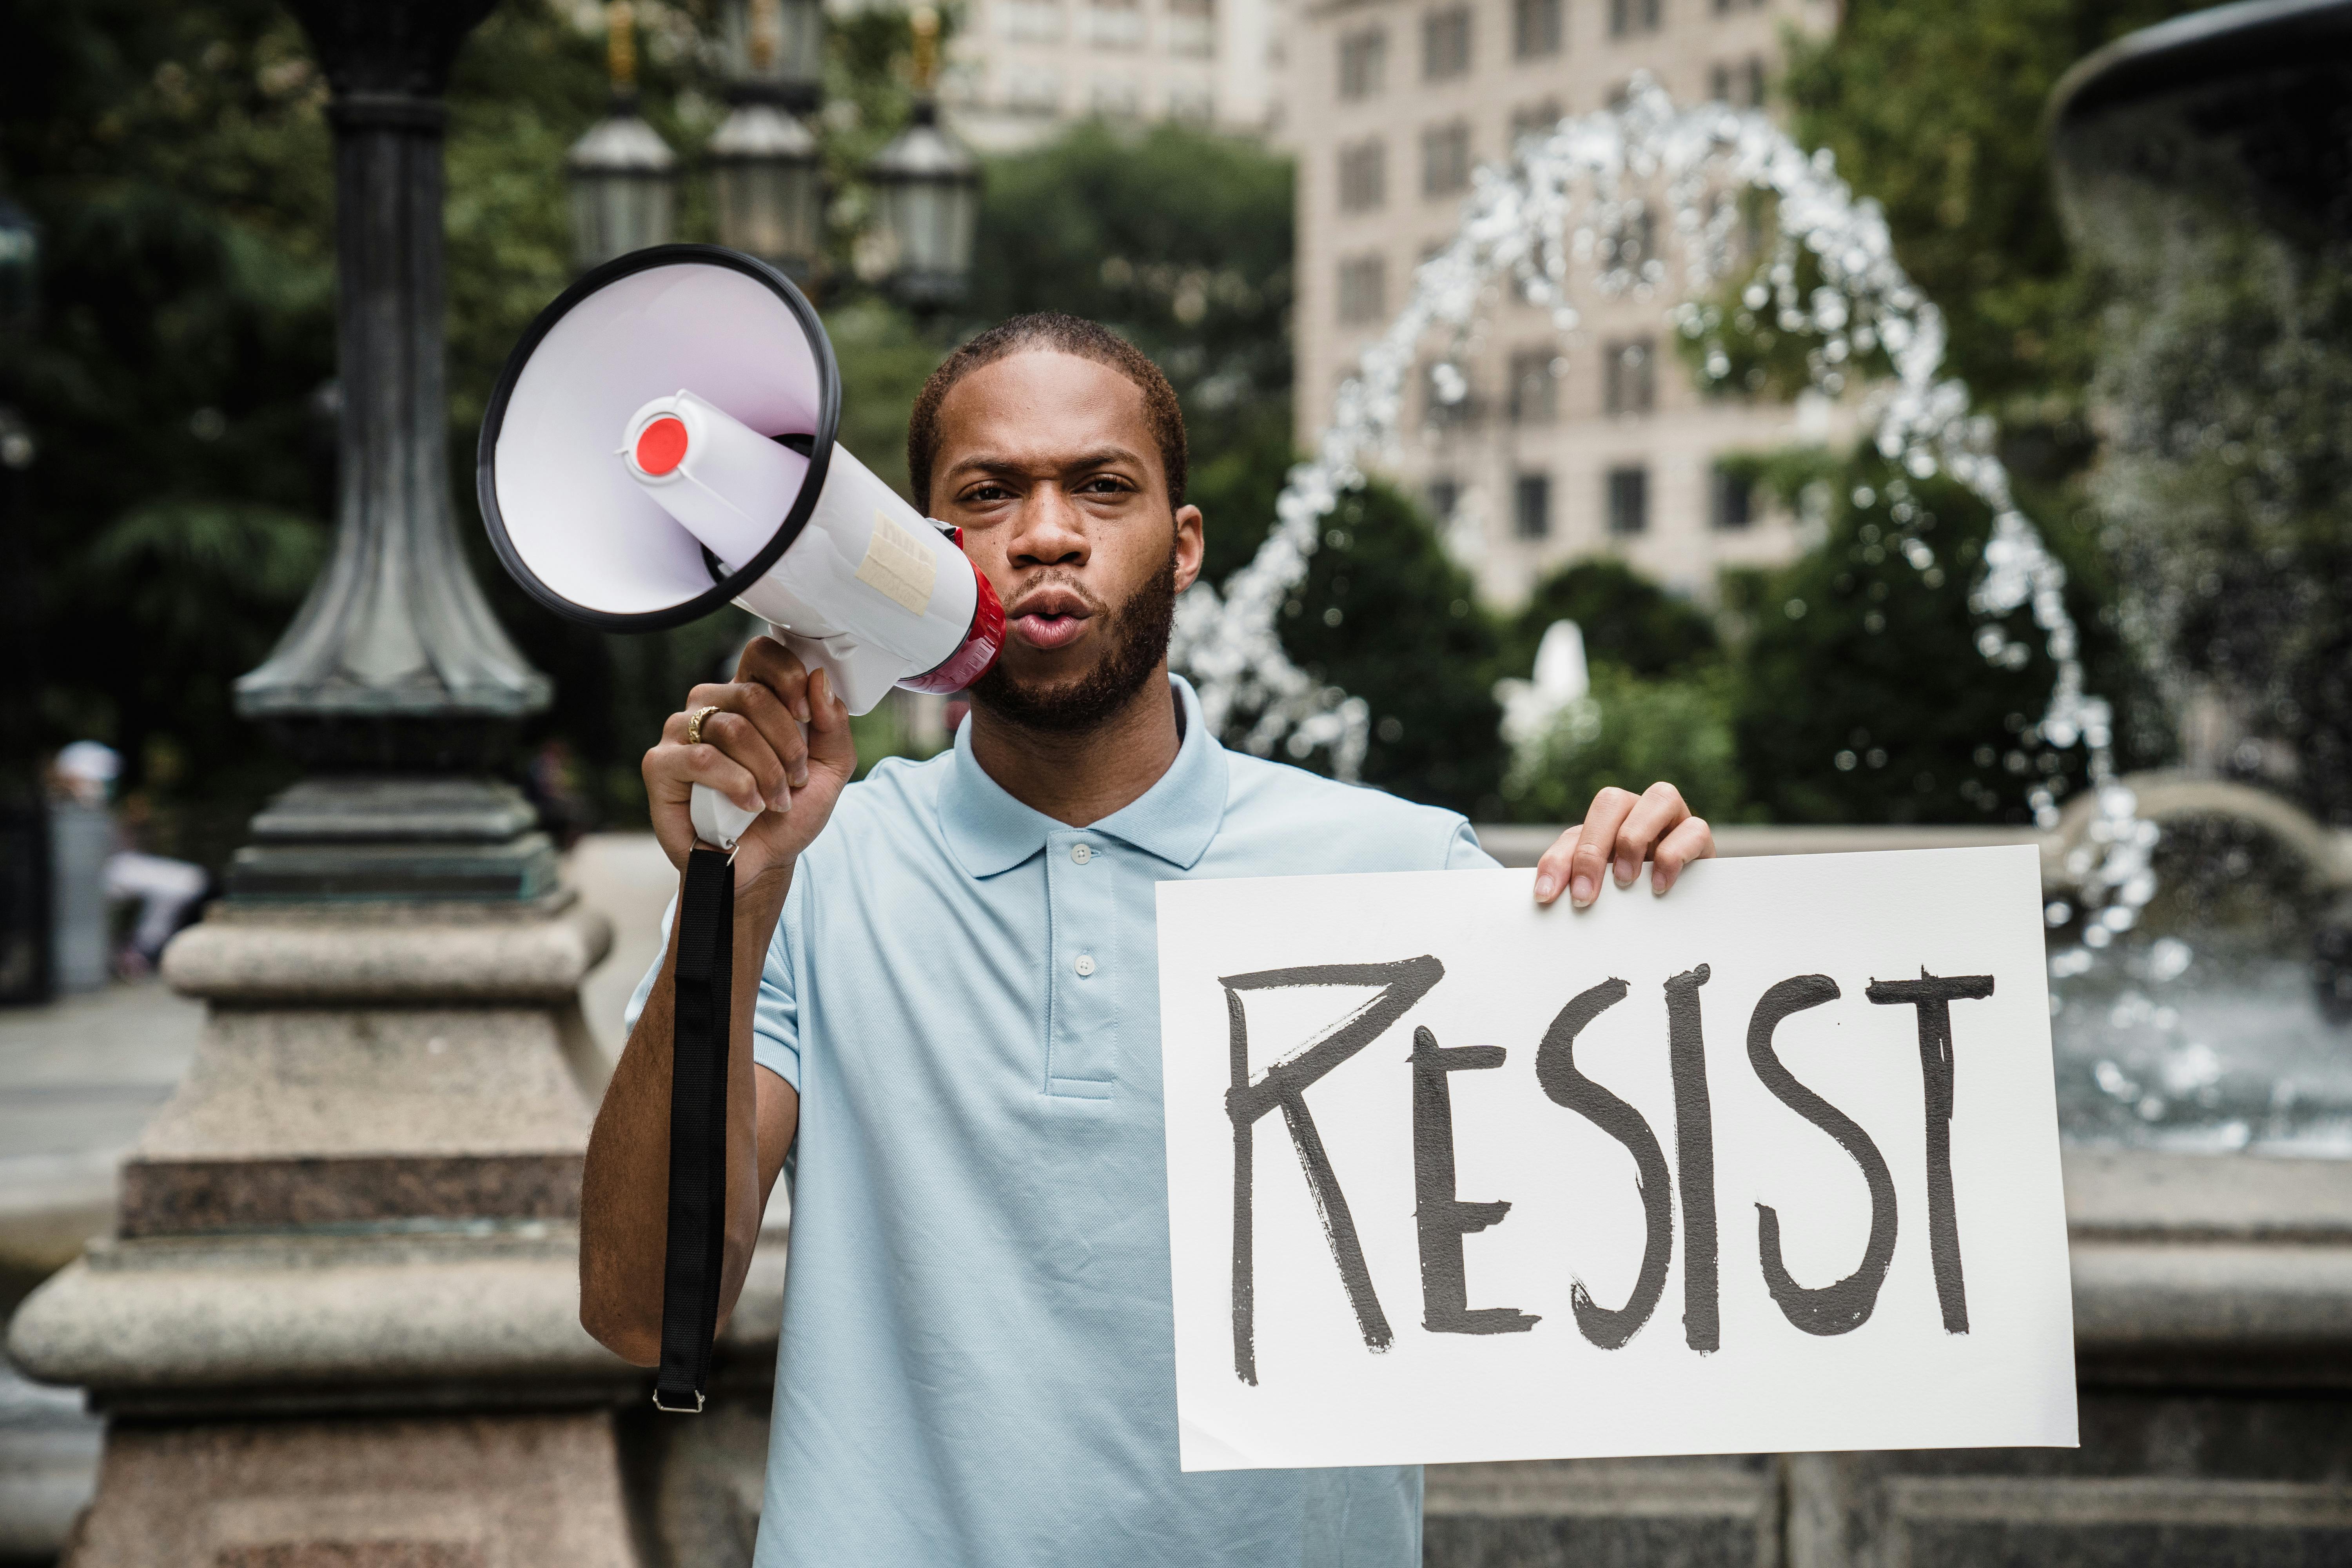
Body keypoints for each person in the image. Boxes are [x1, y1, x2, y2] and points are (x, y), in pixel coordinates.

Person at [587, 314, 1715, 1566]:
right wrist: (731, 893)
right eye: (991, 493)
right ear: (925, 545)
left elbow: (1611, 1247)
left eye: (1103, 488)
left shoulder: (1404, 870)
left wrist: (1649, 934)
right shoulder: (810, 872)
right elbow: (641, 1311)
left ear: (1182, 549)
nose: (1049, 531)